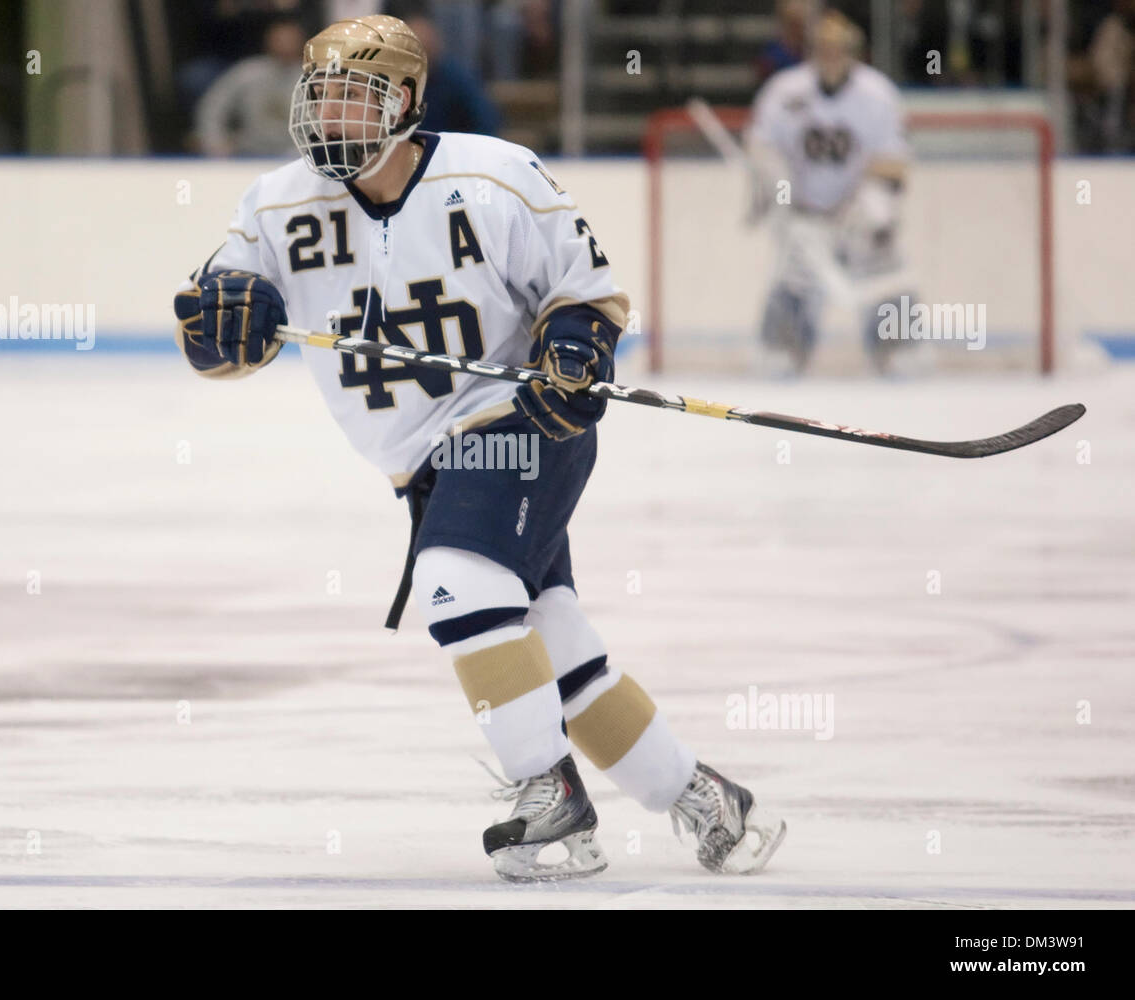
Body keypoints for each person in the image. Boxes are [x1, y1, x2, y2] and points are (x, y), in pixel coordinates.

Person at [172, 13, 785, 881]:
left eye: (357, 98)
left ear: (410, 100)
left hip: (521, 421)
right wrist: (222, 328)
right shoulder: (274, 204)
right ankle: (704, 799)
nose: (332, 118)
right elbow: (215, 324)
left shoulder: (496, 175)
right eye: (324, 98)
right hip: (421, 462)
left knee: (454, 581)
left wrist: (574, 349)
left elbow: (587, 299)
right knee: (553, 644)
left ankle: (551, 800)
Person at [746, 10, 913, 374]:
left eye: (839, 48)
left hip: (856, 213)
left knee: (882, 253)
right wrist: (781, 191)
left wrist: (864, 203)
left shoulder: (877, 94)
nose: (831, 55)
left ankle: (898, 347)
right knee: (795, 274)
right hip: (806, 212)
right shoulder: (784, 91)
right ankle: (782, 348)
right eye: (824, 47)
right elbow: (761, 146)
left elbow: (895, 164)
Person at [195, 15, 308, 157]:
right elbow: (213, 105)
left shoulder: (312, 77)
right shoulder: (248, 72)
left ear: (301, 41)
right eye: (280, 39)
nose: (285, 44)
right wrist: (214, 142)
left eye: (290, 39)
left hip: (297, 155)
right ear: (269, 40)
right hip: (249, 152)